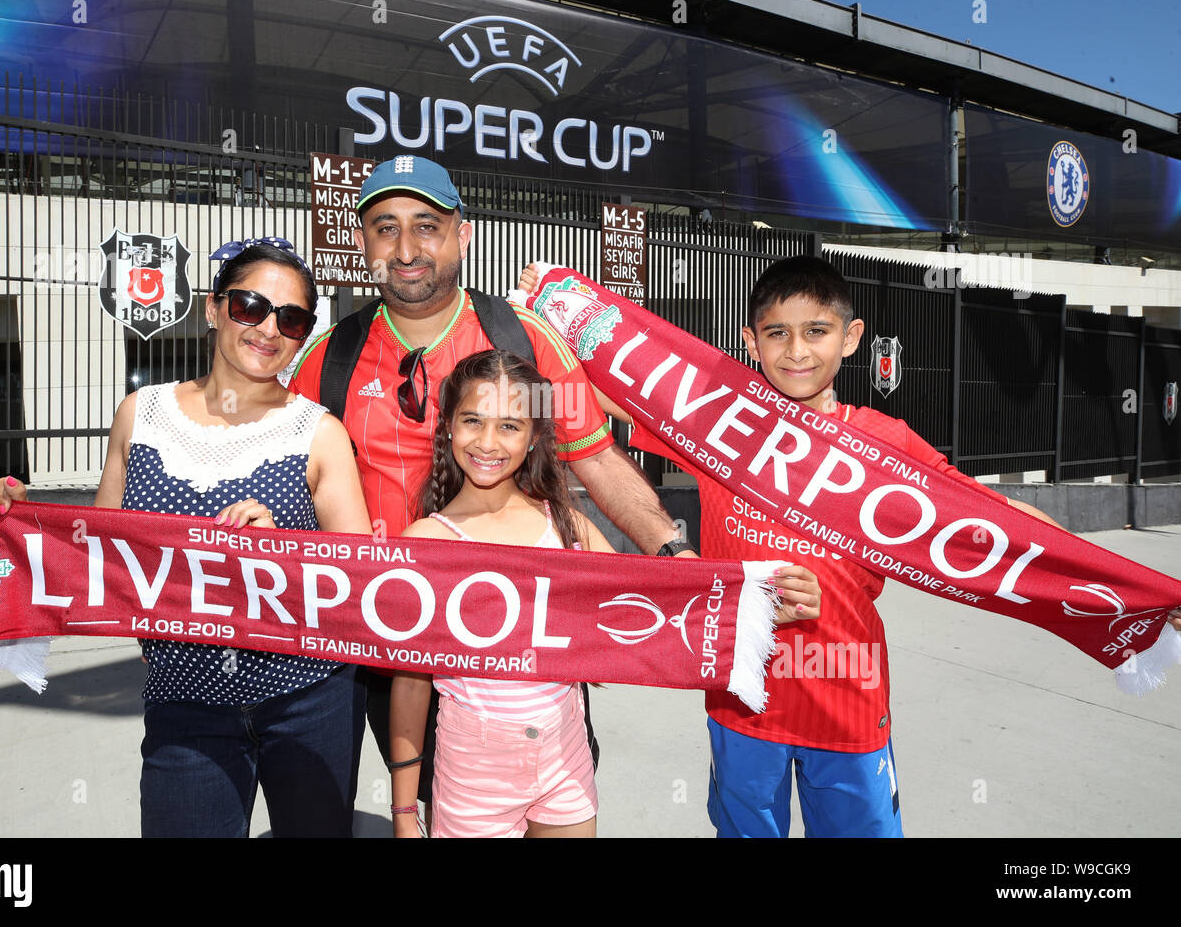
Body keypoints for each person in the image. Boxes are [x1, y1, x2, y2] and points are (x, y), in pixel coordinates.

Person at [286, 155, 697, 804]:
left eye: (427, 225)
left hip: (517, 643)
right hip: (380, 640)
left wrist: (671, 552)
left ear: (464, 233)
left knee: (534, 807)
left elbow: (596, 459)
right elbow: (276, 477)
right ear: (362, 241)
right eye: (385, 227)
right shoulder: (329, 356)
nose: (407, 247)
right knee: (408, 804)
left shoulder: (521, 340)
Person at [617, 254, 1068, 838]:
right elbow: (611, 386)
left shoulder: (885, 443)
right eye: (777, 334)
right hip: (742, 697)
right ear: (751, 342)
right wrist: (558, 314)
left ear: (851, 338)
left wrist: (1125, 585)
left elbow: (994, 521)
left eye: (817, 331)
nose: (796, 351)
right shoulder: (718, 426)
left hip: (850, 703)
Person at [0, 236, 372, 838]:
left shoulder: (319, 433)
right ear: (213, 307)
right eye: (250, 306)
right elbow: (99, 561)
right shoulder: (142, 414)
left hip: (308, 701)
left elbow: (359, 580)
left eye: (292, 317)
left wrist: (285, 545)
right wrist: (7, 517)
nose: (268, 329)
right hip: (185, 702)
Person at [388, 350, 614, 837]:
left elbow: (648, 609)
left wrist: (753, 602)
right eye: (472, 420)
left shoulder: (568, 527)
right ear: (448, 426)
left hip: (566, 755)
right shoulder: (426, 542)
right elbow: (410, 684)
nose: (488, 442)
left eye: (510, 426)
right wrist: (405, 812)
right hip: (472, 768)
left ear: (535, 437)